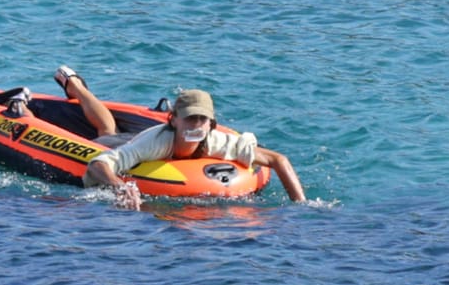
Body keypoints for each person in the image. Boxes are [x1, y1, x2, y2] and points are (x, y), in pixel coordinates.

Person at [54, 66, 307, 209]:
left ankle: (78, 89)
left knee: (110, 130)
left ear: (211, 124)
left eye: (201, 119)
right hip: (134, 144)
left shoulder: (219, 142)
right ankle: (76, 87)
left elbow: (278, 160)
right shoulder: (154, 142)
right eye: (189, 118)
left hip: (166, 157)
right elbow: (99, 163)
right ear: (174, 119)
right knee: (107, 134)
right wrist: (121, 187)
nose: (195, 125)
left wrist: (301, 207)